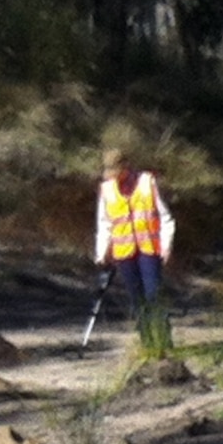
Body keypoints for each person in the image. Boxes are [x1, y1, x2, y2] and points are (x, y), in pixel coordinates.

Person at [93, 145, 176, 348]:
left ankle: (163, 341)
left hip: (149, 249)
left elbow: (165, 217)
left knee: (153, 294)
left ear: (126, 167)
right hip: (124, 252)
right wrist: (101, 252)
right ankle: (148, 343)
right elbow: (105, 224)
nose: (114, 177)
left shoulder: (147, 182)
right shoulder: (107, 189)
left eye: (117, 171)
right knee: (136, 298)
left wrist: (166, 245)